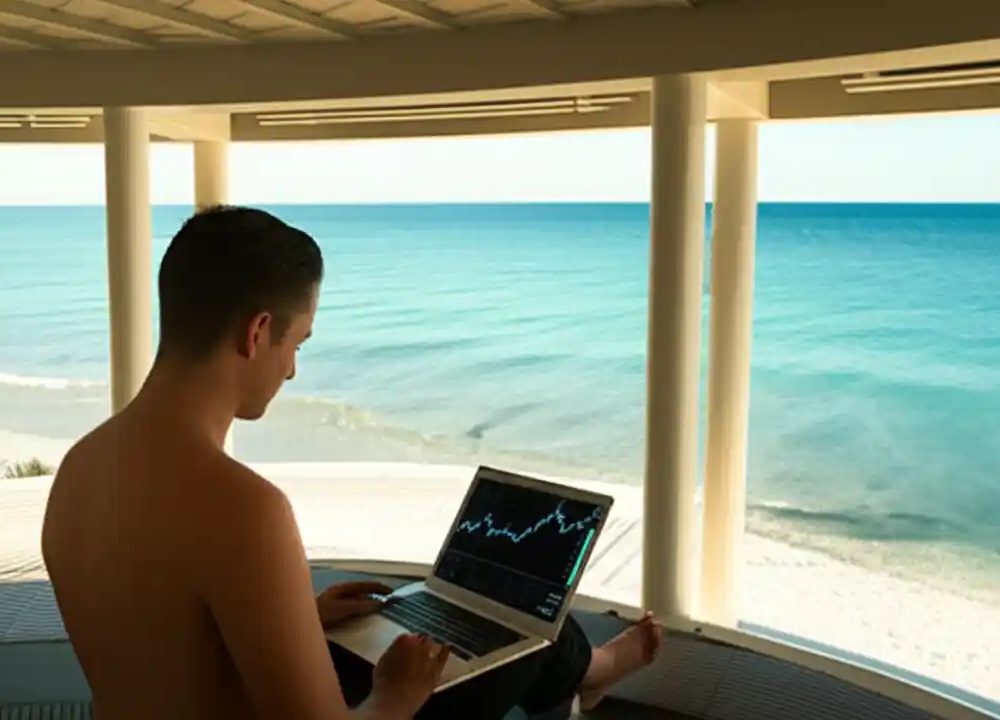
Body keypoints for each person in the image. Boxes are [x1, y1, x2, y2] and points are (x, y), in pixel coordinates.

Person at [41, 206, 663, 720]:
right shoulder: (240, 508)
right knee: (501, 645)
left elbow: (160, 641)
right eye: (298, 343)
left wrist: (294, 619)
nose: (291, 369)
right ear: (258, 332)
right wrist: (397, 692)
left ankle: (586, 673)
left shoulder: (80, 468)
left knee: (470, 629)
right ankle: (588, 676)